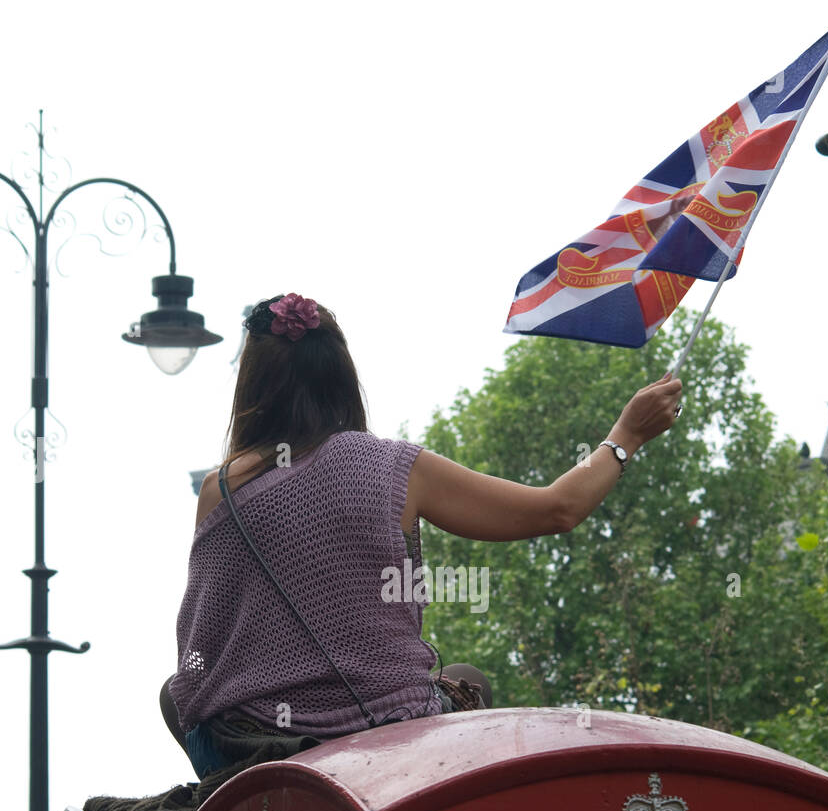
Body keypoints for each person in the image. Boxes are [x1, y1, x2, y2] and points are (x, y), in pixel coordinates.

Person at [162, 292, 681, 779]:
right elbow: (557, 509)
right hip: (381, 731)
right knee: (467, 677)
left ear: (252, 388)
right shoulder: (393, 467)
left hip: (246, 747)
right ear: (342, 378)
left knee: (172, 694)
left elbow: (199, 649)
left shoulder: (220, 490)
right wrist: (626, 436)